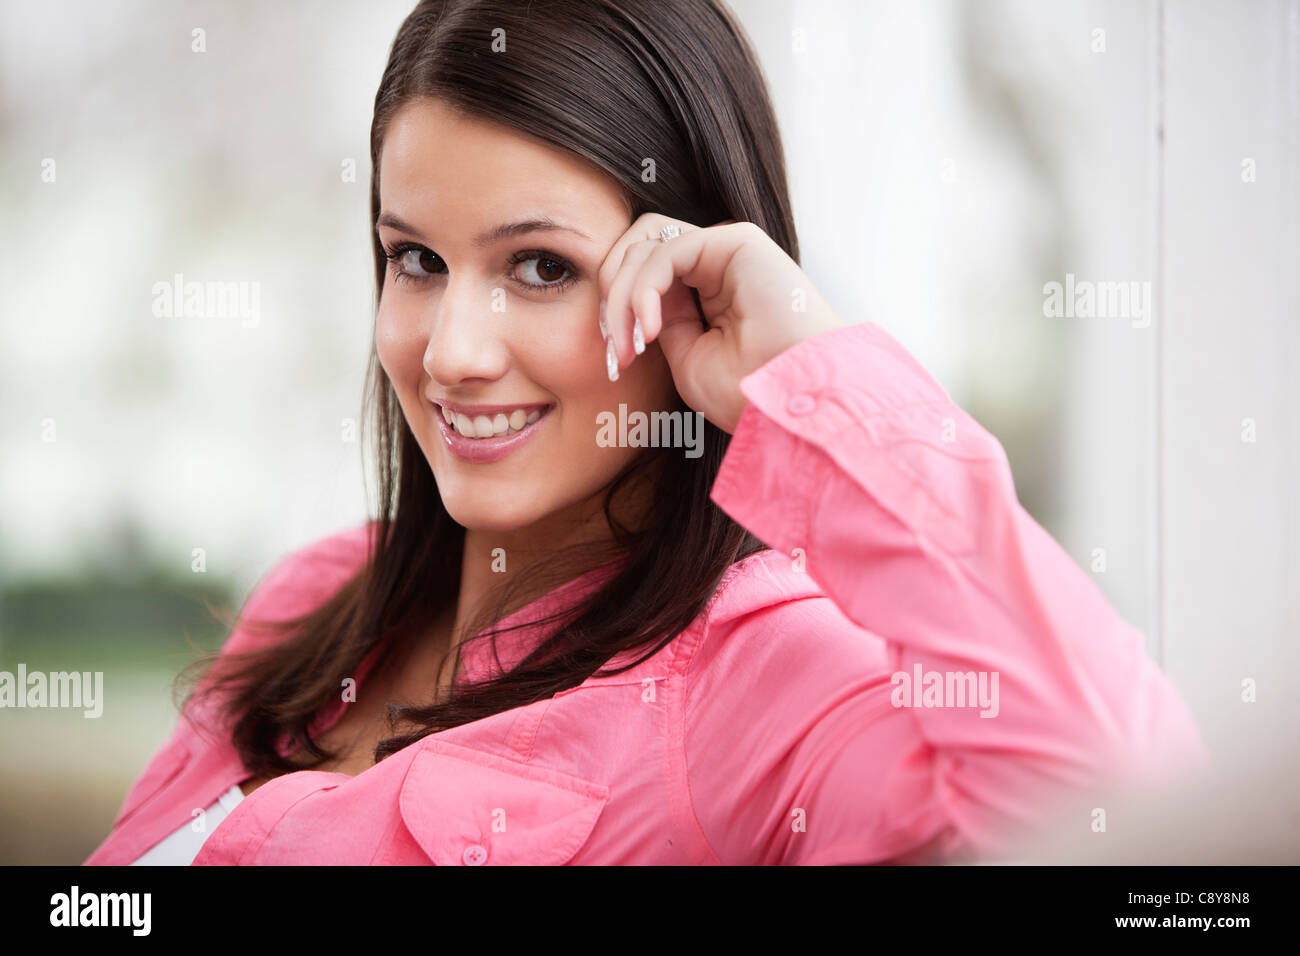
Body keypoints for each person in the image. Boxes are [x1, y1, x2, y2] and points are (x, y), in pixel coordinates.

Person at [85, 0, 1209, 866]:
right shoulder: (317, 596)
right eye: (415, 258)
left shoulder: (768, 682)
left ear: (692, 282)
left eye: (541, 267)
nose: (452, 351)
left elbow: (1126, 807)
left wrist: (804, 372)